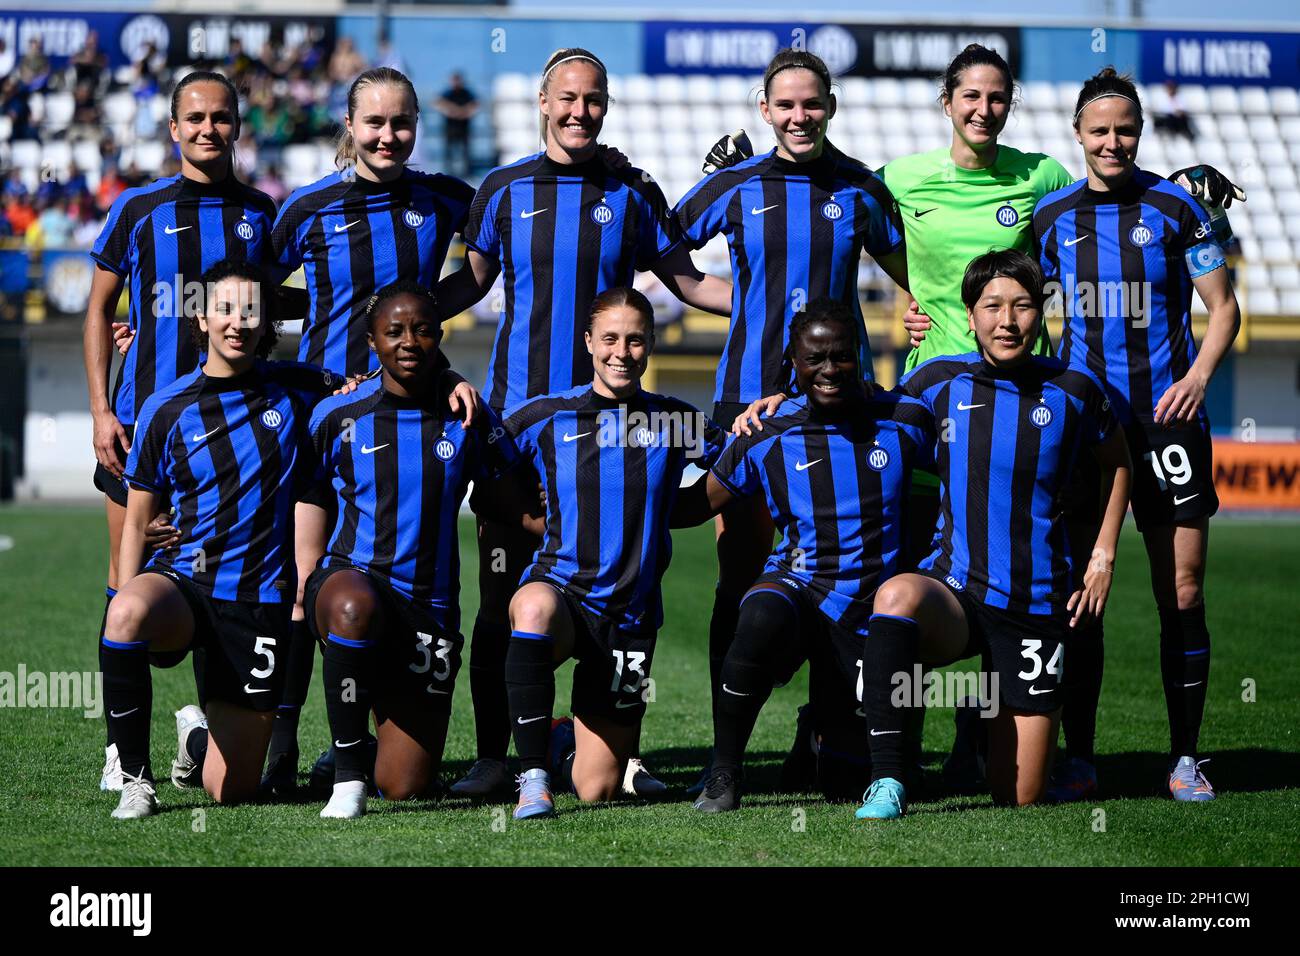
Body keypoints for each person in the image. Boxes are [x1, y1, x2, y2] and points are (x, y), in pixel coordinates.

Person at [436, 46, 731, 799]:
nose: (579, 112)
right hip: (517, 437)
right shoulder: (501, 190)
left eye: (593, 100)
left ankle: (612, 751)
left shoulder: (631, 191)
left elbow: (689, 282)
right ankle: (499, 756)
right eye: (567, 98)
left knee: (629, 582)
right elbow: (468, 283)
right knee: (503, 600)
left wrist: (781, 306)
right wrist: (386, 328)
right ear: (542, 102)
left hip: (619, 436)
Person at [675, 48, 908, 791]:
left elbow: (917, 277)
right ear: (765, 109)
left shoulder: (861, 189)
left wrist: (921, 313)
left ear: (829, 107)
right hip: (745, 404)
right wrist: (736, 302)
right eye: (786, 105)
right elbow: (666, 255)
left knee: (845, 568)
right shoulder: (734, 185)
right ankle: (726, 753)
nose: (800, 116)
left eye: (813, 104)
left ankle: (825, 730)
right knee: (741, 573)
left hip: (840, 404)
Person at [848, 249, 1131, 819]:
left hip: (1035, 604)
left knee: (1018, 797)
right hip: (957, 590)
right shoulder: (934, 381)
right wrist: (784, 399)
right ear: (970, 315)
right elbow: (854, 409)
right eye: (993, 307)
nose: (1008, 321)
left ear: (1041, 311)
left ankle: (983, 721)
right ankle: (888, 776)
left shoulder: (1075, 389)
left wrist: (1102, 555)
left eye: (1023, 306)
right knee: (895, 596)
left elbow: (1118, 461)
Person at [267, 66, 480, 791]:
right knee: (301, 582)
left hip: (412, 409)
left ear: (416, 126)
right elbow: (257, 293)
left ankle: (363, 734)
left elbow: (483, 267)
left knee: (400, 568)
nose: (388, 136)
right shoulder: (305, 209)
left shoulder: (446, 197)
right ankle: (282, 738)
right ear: (348, 126)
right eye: (374, 123)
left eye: (401, 123)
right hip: (322, 418)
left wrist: (426, 322)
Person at [1033, 68, 1240, 802]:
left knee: (1181, 591)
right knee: (1082, 597)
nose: (1112, 141)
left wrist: (1199, 379)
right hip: (1086, 435)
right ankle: (1081, 758)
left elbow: (1223, 309)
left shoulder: (1178, 208)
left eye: (1125, 129)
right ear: (1079, 136)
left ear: (1140, 133)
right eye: (1100, 130)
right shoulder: (1051, 217)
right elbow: (1015, 309)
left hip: (1170, 427)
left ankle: (1186, 758)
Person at [83, 71, 278, 795]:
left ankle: (203, 724)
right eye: (194, 118)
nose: (208, 130)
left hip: (231, 447)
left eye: (221, 118)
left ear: (237, 126)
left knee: (219, 581)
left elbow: (272, 308)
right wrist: (103, 411)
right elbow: (98, 309)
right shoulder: (137, 210)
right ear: (173, 128)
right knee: (127, 583)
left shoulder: (261, 213)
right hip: (140, 435)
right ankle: (120, 749)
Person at [672, 298, 933, 811]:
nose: (829, 369)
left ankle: (818, 731)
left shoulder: (908, 419)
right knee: (758, 611)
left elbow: (971, 473)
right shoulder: (767, 430)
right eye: (815, 358)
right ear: (794, 363)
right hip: (798, 588)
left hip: (871, 608)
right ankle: (724, 773)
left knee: (841, 781)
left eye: (840, 355)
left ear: (859, 353)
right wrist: (618, 485)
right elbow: (697, 506)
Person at [101, 261, 339, 819]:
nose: (237, 322)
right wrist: (123, 602)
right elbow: (138, 521)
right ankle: (136, 779)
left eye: (250, 310)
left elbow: (378, 384)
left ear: (265, 323)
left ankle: (195, 739)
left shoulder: (301, 389)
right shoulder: (166, 408)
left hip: (258, 604)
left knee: (231, 791)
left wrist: (448, 380)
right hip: (186, 583)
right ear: (201, 318)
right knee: (128, 614)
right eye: (225, 309)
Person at [302, 281, 538, 819]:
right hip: (352, 582)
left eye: (424, 330)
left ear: (440, 338)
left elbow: (510, 501)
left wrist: (571, 529)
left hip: (428, 612)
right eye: (395, 331)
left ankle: (366, 749)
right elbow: (298, 492)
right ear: (372, 341)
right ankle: (346, 780)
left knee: (406, 785)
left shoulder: (469, 420)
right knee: (351, 607)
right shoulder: (336, 417)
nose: (409, 341)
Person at [501, 287, 727, 819]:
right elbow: (482, 464)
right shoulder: (544, 416)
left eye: (635, 340)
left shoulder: (675, 421)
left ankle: (561, 741)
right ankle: (531, 779)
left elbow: (742, 458)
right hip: (560, 594)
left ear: (650, 346)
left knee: (597, 789)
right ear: (587, 343)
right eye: (609, 339)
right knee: (531, 609)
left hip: (631, 616)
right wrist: (535, 519)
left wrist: (772, 409)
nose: (621, 352)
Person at [433, 72, 479, 177]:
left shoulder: (467, 93)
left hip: (464, 129)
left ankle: (467, 173)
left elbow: (476, 104)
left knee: (466, 153)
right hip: (450, 129)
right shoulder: (448, 93)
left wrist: (464, 112)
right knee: (449, 153)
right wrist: (452, 110)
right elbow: (437, 103)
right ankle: (448, 173)